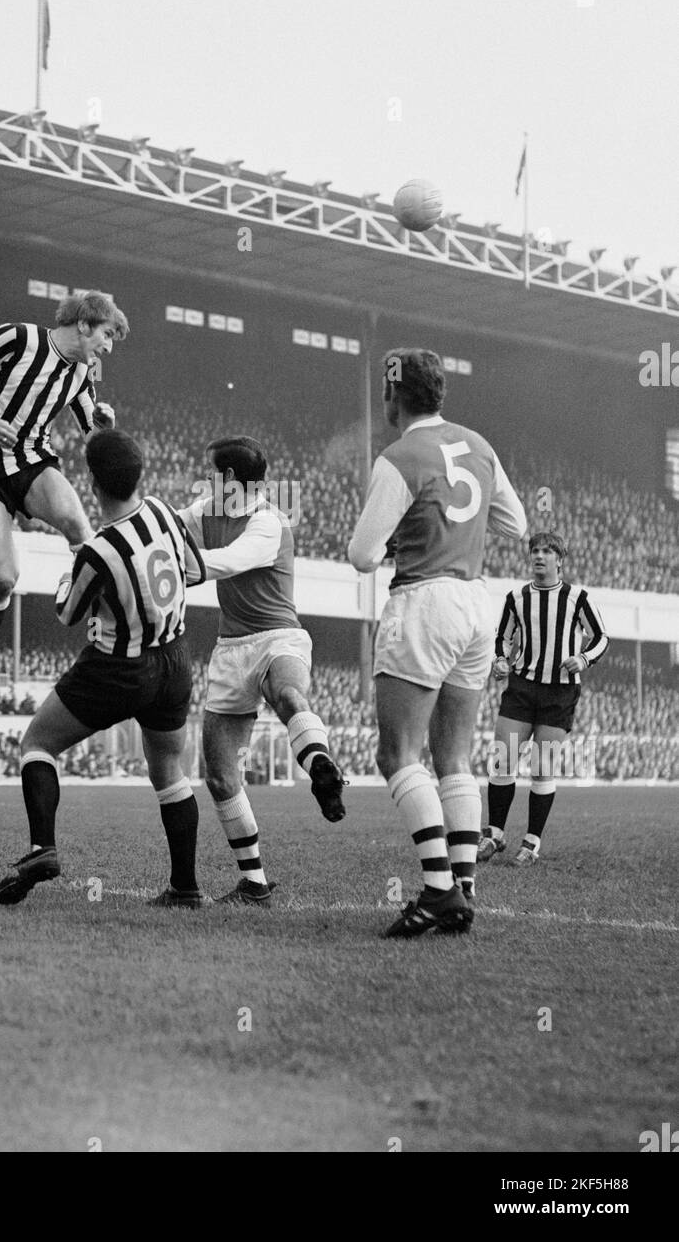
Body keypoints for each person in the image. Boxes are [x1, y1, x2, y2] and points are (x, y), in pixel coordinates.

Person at [348, 348, 527, 938]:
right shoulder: (478, 444)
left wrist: (404, 540)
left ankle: (438, 891)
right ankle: (464, 885)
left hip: (424, 601)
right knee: (454, 757)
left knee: (397, 756)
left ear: (393, 396)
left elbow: (361, 555)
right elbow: (517, 525)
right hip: (478, 603)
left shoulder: (398, 457)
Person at [0, 428, 208, 908]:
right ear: (139, 475)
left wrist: (71, 573)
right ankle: (186, 887)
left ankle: (41, 848)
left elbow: (67, 612)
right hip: (175, 658)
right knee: (170, 772)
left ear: (91, 484)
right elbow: (193, 571)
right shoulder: (165, 514)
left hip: (118, 667)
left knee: (37, 744)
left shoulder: (100, 550)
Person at [0, 292, 128, 723]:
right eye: (105, 334)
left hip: (32, 462)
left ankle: (98, 627)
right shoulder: (19, 338)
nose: (108, 347)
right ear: (83, 324)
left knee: (83, 533)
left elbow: (90, 434)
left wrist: (104, 428)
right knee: (4, 579)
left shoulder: (81, 373)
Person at [178, 435, 347, 907]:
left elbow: (223, 563)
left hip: (278, 637)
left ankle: (321, 769)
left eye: (210, 470)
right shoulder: (203, 511)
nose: (204, 476)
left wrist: (168, 565)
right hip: (230, 648)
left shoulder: (269, 522)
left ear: (229, 478)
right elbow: (165, 529)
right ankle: (254, 882)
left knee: (289, 695)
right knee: (219, 775)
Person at [478, 530, 609, 865]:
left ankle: (531, 843)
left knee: (541, 767)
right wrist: (501, 660)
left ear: (559, 560)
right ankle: (494, 834)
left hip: (560, 691)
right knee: (503, 759)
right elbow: (502, 637)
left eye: (547, 551)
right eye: (535, 550)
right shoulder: (517, 597)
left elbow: (600, 637)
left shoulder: (578, 597)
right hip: (522, 687)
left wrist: (583, 659)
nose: (539, 556)